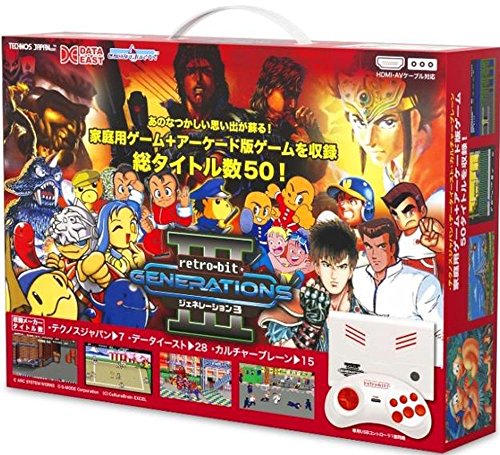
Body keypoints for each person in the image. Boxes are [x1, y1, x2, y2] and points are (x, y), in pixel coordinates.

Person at [334, 59, 444, 215]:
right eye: (359, 122)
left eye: (387, 122)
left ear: (414, 119)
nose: (368, 140)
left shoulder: (437, 193)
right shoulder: (392, 166)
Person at [259, 220, 368, 351]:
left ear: (351, 270)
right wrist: (310, 325)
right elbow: (281, 355)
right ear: (317, 267)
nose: (334, 275)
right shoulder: (293, 305)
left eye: (342, 267)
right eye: (327, 265)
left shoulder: (365, 309)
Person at [352, 218, 443, 365]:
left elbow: (440, 335)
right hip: (362, 363)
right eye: (368, 247)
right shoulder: (356, 277)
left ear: (392, 248)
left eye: (381, 246)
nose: (374, 255)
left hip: (410, 366)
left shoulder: (422, 283)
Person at [382, 182, 444, 275]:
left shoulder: (427, 226)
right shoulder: (398, 236)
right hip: (403, 268)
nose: (402, 219)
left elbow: (447, 246)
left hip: (423, 268)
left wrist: (437, 243)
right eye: (396, 215)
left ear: (422, 211)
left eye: (409, 213)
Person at [141, 170, 192, 255]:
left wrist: (184, 206)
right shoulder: (154, 206)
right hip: (156, 235)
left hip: (172, 235)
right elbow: (154, 218)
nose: (162, 197)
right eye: (157, 193)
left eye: (167, 191)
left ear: (177, 192)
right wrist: (148, 223)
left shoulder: (175, 206)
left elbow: (185, 222)